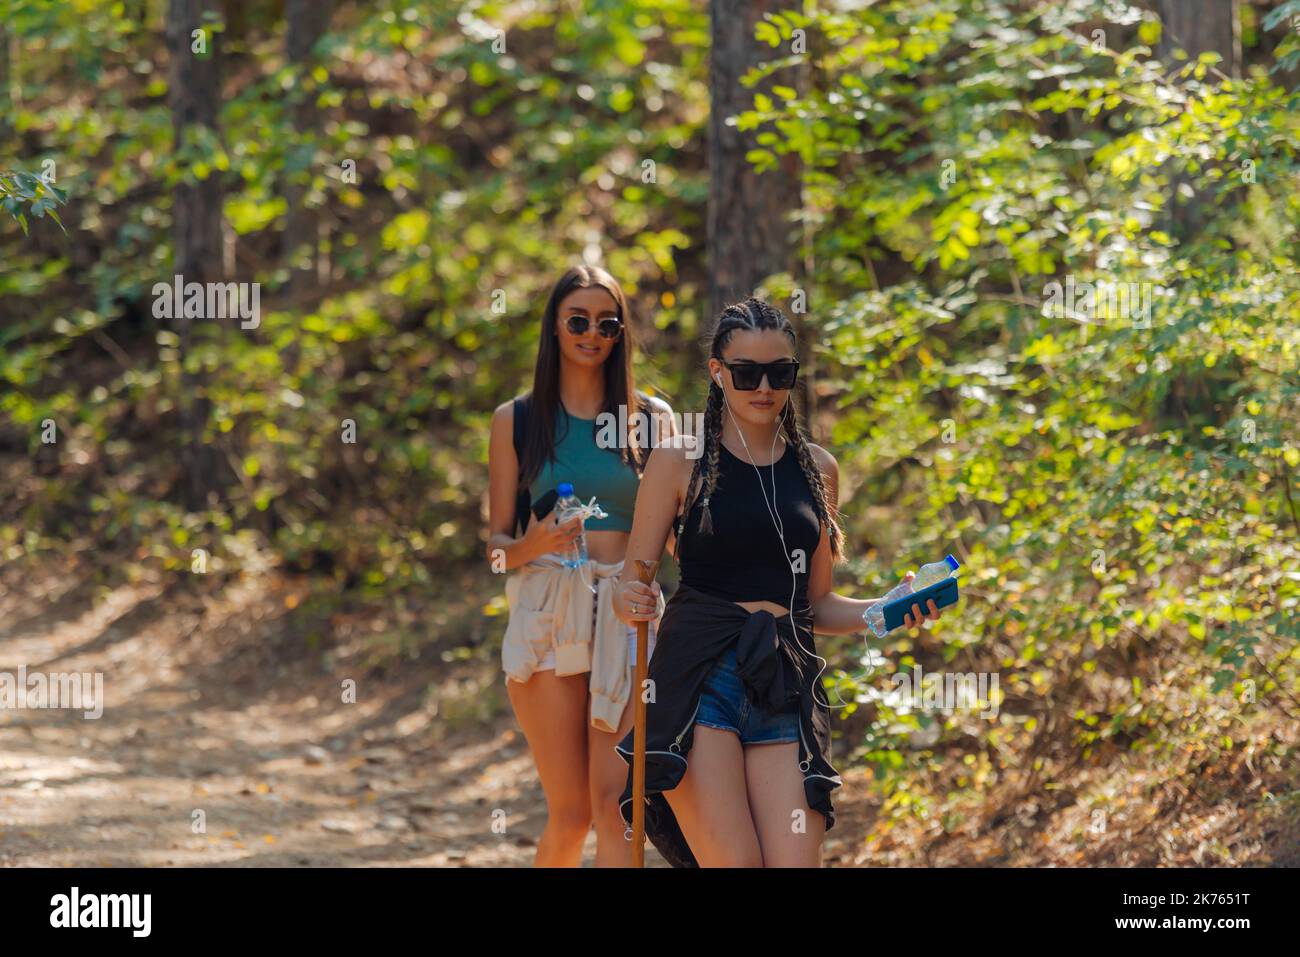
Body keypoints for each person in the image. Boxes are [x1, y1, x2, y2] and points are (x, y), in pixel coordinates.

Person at [612, 296, 943, 867]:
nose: (763, 386)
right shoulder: (679, 459)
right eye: (746, 373)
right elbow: (631, 583)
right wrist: (630, 597)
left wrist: (887, 608)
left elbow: (816, 603)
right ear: (718, 373)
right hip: (698, 678)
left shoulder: (818, 469)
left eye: (779, 373)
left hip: (783, 680)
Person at [485, 264, 677, 866]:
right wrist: (532, 543)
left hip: (628, 609)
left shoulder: (652, 419)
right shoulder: (516, 420)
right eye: (578, 320)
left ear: (620, 333)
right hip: (547, 610)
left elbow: (679, 535)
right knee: (569, 813)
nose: (592, 333)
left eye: (607, 322)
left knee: (617, 802)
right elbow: (495, 550)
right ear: (555, 327)